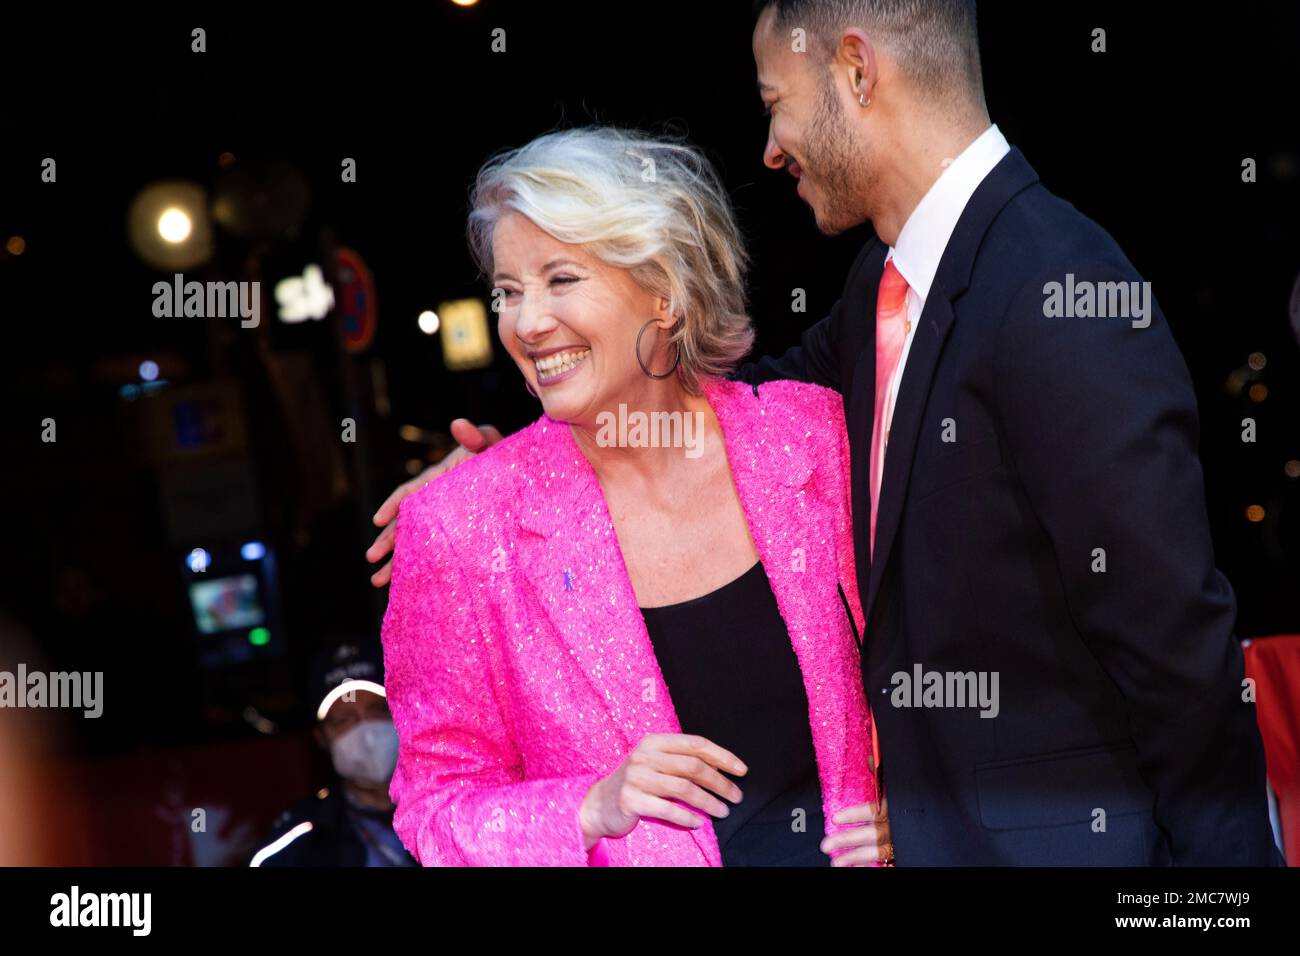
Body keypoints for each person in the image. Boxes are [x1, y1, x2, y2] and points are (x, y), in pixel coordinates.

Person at [371, 0, 1280, 866]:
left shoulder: (1053, 289)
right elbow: (726, 399)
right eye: (507, 291)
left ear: (855, 69)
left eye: (776, 104)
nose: (769, 147)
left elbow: (1172, 643)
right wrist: (499, 468)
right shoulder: (878, 293)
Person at [378, 127, 890, 866]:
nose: (526, 323)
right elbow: (435, 809)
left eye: (561, 279)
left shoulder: (815, 438)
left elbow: (941, 662)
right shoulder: (458, 528)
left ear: (666, 294)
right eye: (508, 292)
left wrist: (915, 813)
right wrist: (589, 806)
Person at [249, 642, 415, 867]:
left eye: (377, 710)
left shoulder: (462, 809)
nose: (366, 732)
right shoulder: (291, 850)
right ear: (322, 738)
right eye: (343, 720)